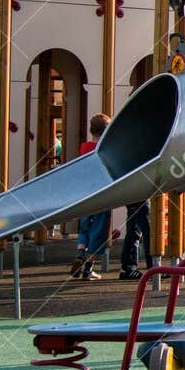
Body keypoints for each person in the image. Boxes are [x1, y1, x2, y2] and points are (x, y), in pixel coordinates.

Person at [70, 113, 111, 281]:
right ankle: (88, 267)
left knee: (84, 228)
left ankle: (80, 253)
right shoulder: (104, 150)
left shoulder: (84, 148)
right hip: (102, 194)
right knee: (99, 231)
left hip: (85, 194)